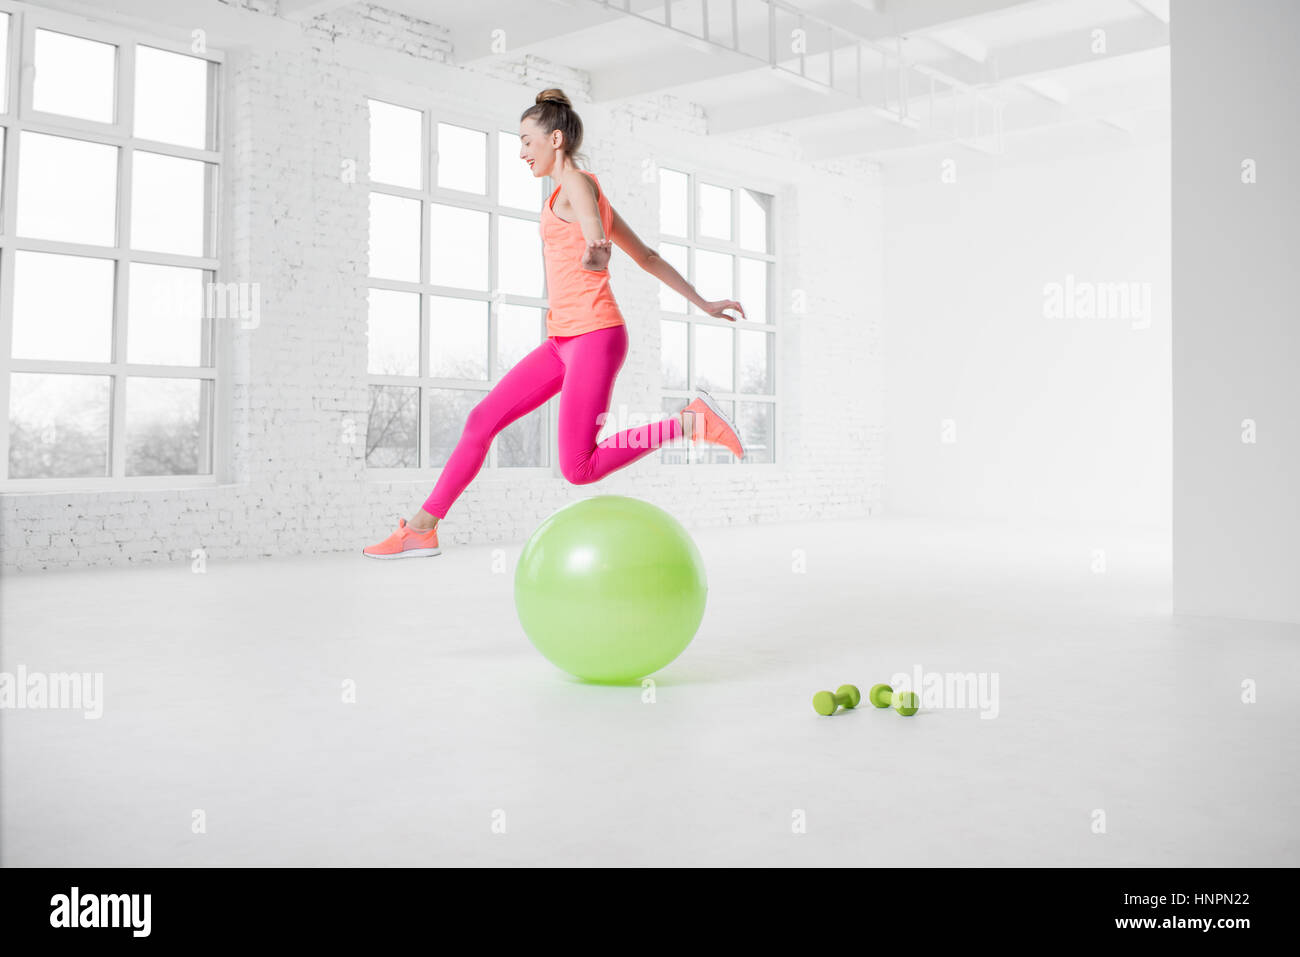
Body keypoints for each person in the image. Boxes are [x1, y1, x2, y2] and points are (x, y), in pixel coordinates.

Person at [363, 88, 746, 559]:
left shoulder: (580, 186)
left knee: (579, 467)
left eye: (527, 141)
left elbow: (597, 243)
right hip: (563, 339)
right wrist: (703, 302)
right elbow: (646, 256)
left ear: (556, 139)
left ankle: (691, 422)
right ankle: (423, 527)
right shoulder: (568, 193)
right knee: (482, 420)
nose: (522, 152)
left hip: (595, 336)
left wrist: (595, 255)